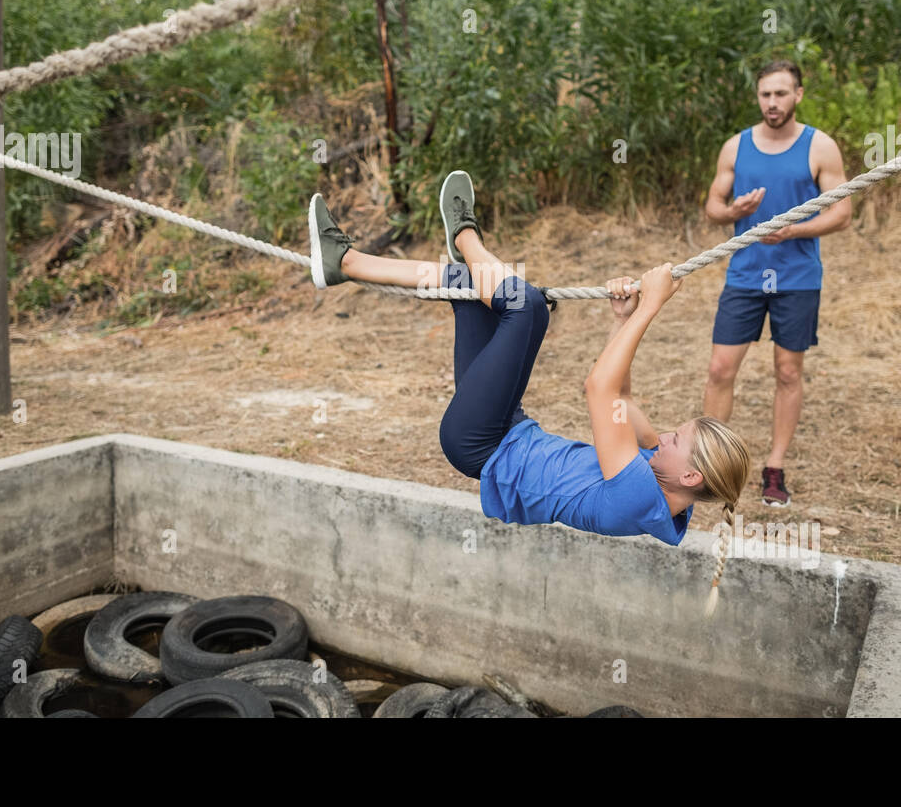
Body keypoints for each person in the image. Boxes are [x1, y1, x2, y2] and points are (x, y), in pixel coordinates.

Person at [308, 171, 752, 613]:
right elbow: (622, 401)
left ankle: (464, 234)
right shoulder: (665, 482)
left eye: (678, 439)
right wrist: (622, 319)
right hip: (510, 429)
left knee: (527, 307)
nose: (667, 436)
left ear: (691, 476)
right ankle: (345, 262)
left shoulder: (639, 495)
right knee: (469, 287)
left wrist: (652, 306)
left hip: (480, 444)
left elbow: (600, 389)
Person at [702, 60, 851, 508]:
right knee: (719, 370)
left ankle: (774, 468)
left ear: (798, 95)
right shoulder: (736, 146)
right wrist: (733, 212)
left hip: (798, 278)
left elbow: (841, 214)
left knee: (787, 371)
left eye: (781, 94)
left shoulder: (820, 146)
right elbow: (713, 204)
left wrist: (793, 230)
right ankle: (712, 463)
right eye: (765, 94)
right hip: (745, 275)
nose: (772, 103)